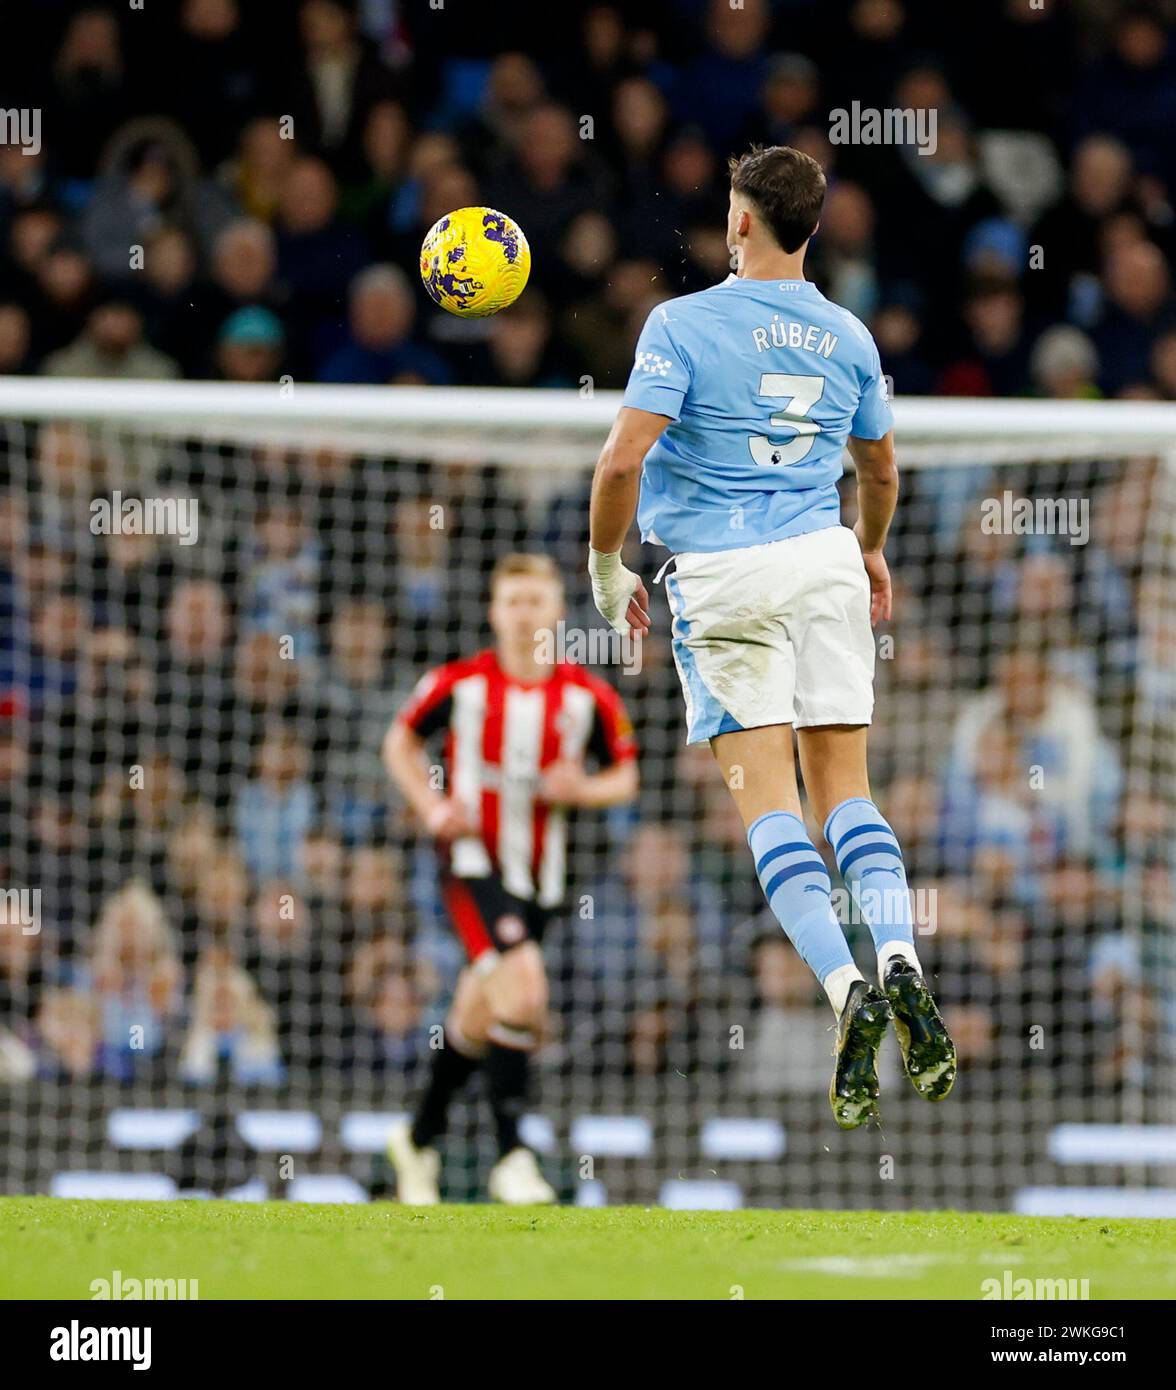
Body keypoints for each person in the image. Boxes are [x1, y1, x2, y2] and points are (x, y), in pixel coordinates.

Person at [586, 144, 955, 1129]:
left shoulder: (682, 323)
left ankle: (847, 990)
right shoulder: (848, 336)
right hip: (825, 558)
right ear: (815, 227)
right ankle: (902, 957)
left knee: (769, 810)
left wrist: (606, 565)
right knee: (848, 791)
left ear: (742, 223)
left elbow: (621, 459)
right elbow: (880, 474)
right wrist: (872, 553)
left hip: (724, 576)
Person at [382, 553, 638, 1201]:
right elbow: (400, 742)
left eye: (536, 601)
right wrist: (434, 806)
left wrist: (580, 789)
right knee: (524, 992)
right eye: (513, 601)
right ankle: (512, 1155)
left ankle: (416, 1141)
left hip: (543, 880)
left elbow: (626, 775)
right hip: (472, 864)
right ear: (495, 612)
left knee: (477, 1009)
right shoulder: (460, 684)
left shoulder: (587, 697)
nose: (525, 614)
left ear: (558, 611)